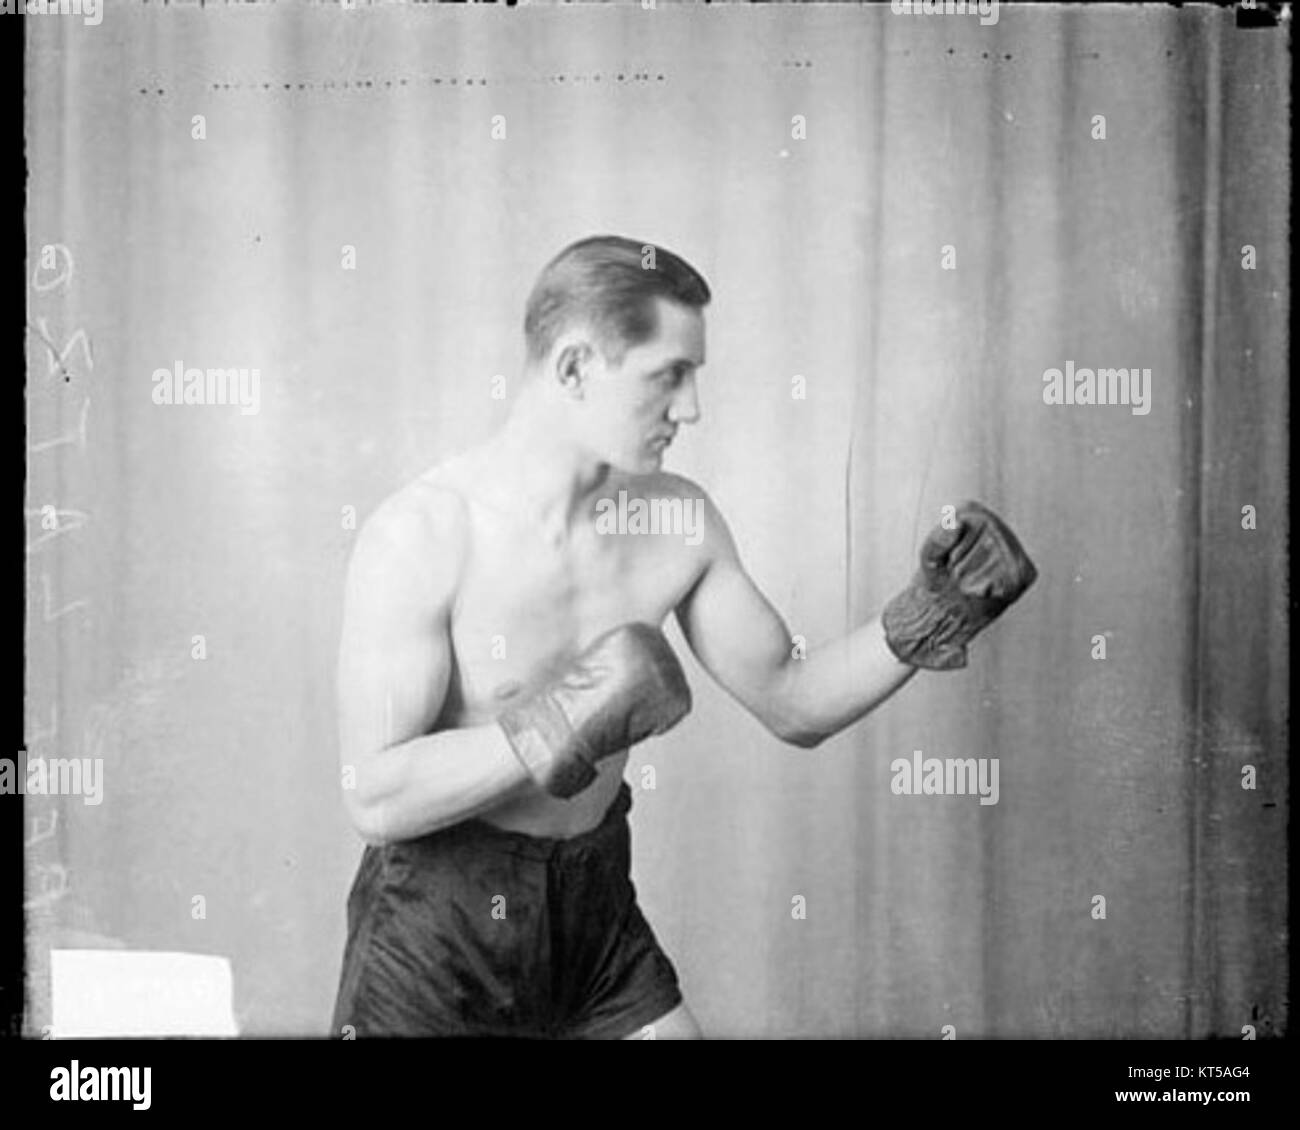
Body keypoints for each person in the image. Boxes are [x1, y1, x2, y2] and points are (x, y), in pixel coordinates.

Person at [330, 234, 1037, 1039]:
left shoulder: (678, 522)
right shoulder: (423, 535)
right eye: (669, 374)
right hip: (438, 929)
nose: (692, 407)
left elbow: (793, 701)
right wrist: (555, 723)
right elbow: (374, 792)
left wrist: (926, 617)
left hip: (594, 911)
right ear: (574, 368)